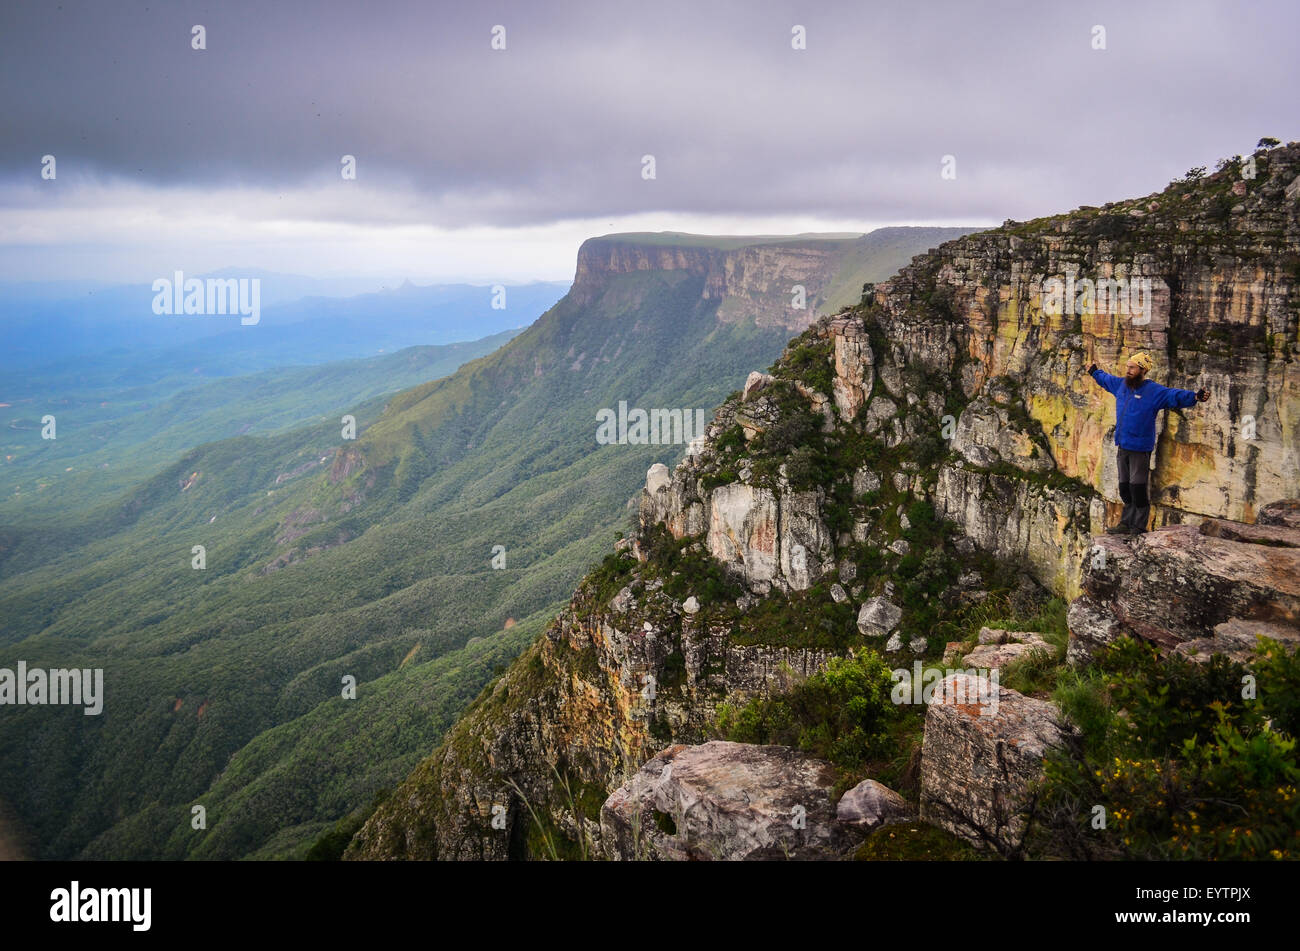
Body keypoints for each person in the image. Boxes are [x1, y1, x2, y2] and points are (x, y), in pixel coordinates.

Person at [1087, 352, 1209, 535]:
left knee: (1138, 487)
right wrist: (1095, 372)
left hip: (1140, 448)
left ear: (1142, 370)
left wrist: (1195, 397)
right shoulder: (1121, 385)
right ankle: (1125, 523)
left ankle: (1138, 526)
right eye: (1127, 367)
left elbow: (1173, 396)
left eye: (1132, 368)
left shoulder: (1153, 392)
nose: (1128, 370)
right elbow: (1106, 379)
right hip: (1123, 445)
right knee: (1125, 487)